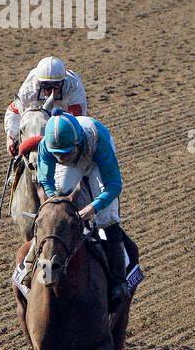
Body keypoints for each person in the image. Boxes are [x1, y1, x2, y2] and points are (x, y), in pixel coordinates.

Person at [38, 112, 138, 307]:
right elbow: (46, 181)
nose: (61, 158)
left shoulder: (97, 139)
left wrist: (93, 207)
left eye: (65, 153)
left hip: (95, 162)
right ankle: (31, 269)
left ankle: (119, 283)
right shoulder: (47, 147)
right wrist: (57, 203)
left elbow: (114, 184)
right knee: (55, 214)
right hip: (77, 157)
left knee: (106, 218)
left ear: (77, 143)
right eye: (57, 155)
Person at [4, 56, 88, 157]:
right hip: (38, 113)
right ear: (39, 82)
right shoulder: (29, 89)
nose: (50, 91)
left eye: (55, 86)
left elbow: (76, 122)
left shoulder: (74, 88)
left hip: (65, 111)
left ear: (63, 82)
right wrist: (11, 137)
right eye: (46, 86)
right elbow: (15, 111)